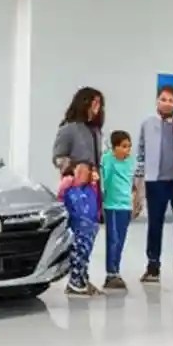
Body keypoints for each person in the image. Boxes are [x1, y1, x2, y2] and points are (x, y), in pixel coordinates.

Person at [134, 85, 173, 284]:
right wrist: (137, 181)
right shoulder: (147, 123)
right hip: (155, 181)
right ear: (157, 101)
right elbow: (141, 153)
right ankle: (153, 264)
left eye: (171, 100)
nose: (167, 103)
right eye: (163, 99)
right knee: (155, 222)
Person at [58, 161, 103, 296]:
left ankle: (82, 279)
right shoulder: (68, 187)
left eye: (85, 171)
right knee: (77, 252)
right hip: (77, 227)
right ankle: (75, 281)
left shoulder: (91, 189)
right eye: (78, 170)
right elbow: (60, 201)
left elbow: (97, 204)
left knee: (85, 254)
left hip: (90, 227)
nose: (80, 174)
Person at [100, 130, 138, 291]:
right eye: (123, 146)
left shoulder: (130, 162)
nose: (127, 150)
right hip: (112, 206)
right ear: (114, 147)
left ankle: (116, 270)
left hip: (125, 206)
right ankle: (111, 273)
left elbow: (132, 182)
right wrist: (101, 201)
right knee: (113, 239)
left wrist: (135, 201)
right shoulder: (107, 159)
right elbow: (104, 180)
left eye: (129, 146)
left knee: (120, 241)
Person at [53, 87, 105, 178]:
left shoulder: (96, 131)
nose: (97, 106)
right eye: (94, 102)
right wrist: (74, 167)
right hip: (75, 183)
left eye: (99, 103)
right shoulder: (69, 128)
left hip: (95, 182)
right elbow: (58, 157)